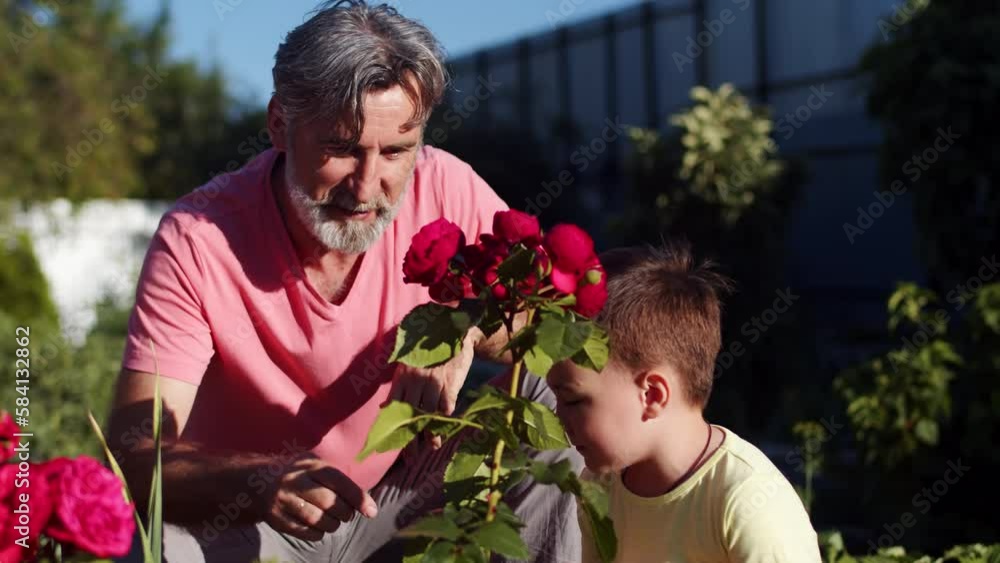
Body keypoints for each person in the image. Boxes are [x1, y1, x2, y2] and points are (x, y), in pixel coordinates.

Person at [110, 2, 581, 561]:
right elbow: (136, 454)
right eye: (340, 149)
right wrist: (262, 481)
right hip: (259, 523)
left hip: (406, 499)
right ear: (280, 124)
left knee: (548, 400)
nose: (366, 187)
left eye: (395, 152)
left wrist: (465, 332)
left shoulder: (448, 188)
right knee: (156, 544)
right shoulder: (198, 238)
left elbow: (554, 329)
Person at [548, 243, 821, 562]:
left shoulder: (748, 503)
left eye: (573, 399)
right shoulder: (598, 487)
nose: (557, 415)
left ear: (652, 395)